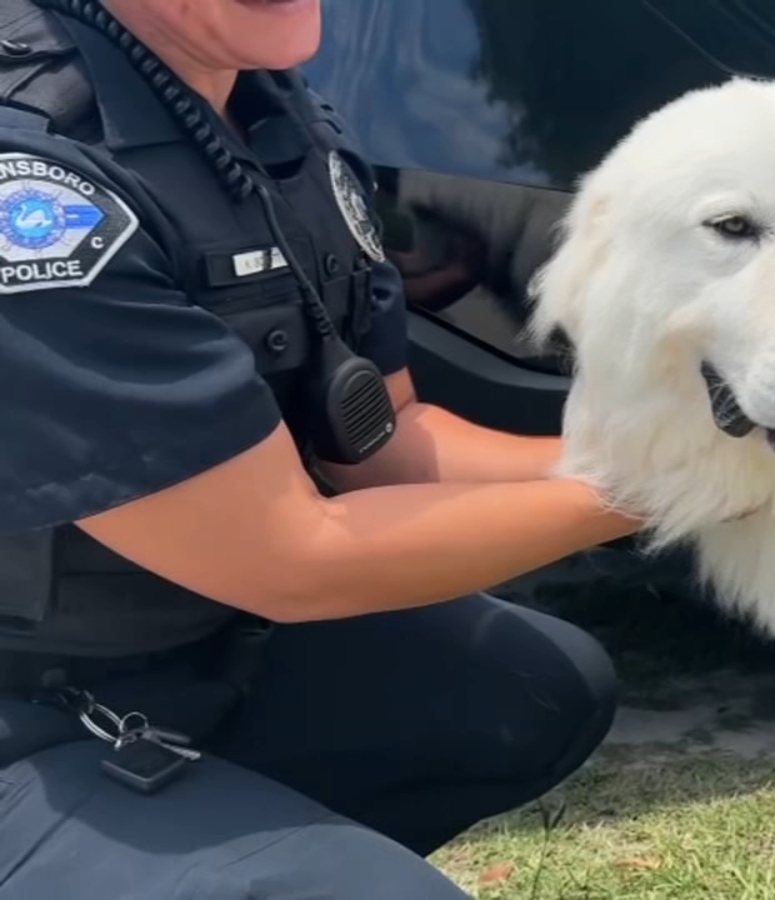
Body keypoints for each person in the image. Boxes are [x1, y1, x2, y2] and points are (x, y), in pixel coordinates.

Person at [0, 0, 644, 896]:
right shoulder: (27, 189)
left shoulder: (261, 110)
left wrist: (667, 453)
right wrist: (665, 493)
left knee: (530, 690)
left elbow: (381, 441)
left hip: (186, 651)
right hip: (26, 715)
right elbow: (287, 557)